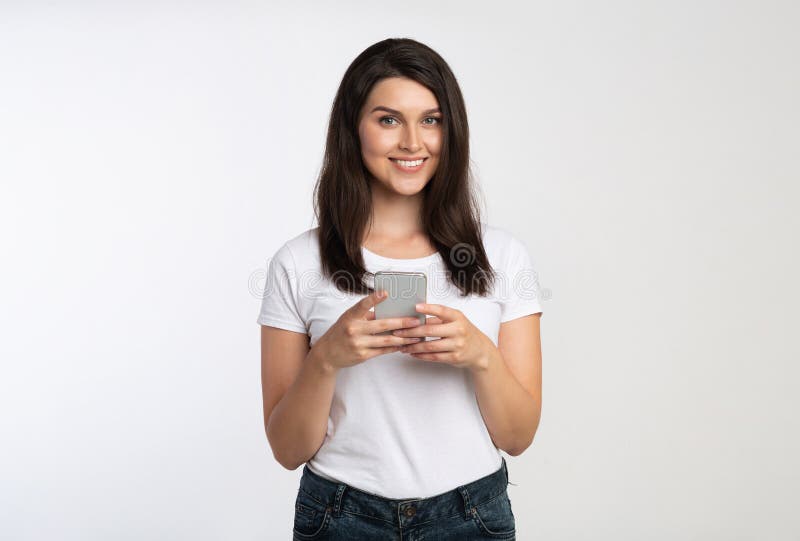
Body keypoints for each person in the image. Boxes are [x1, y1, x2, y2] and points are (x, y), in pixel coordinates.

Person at [258, 37, 544, 540]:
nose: (413, 142)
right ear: (354, 129)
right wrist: (327, 358)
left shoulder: (503, 257)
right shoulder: (298, 262)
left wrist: (481, 355)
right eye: (388, 119)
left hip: (470, 515)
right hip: (340, 516)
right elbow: (287, 450)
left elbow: (518, 437)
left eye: (431, 120)